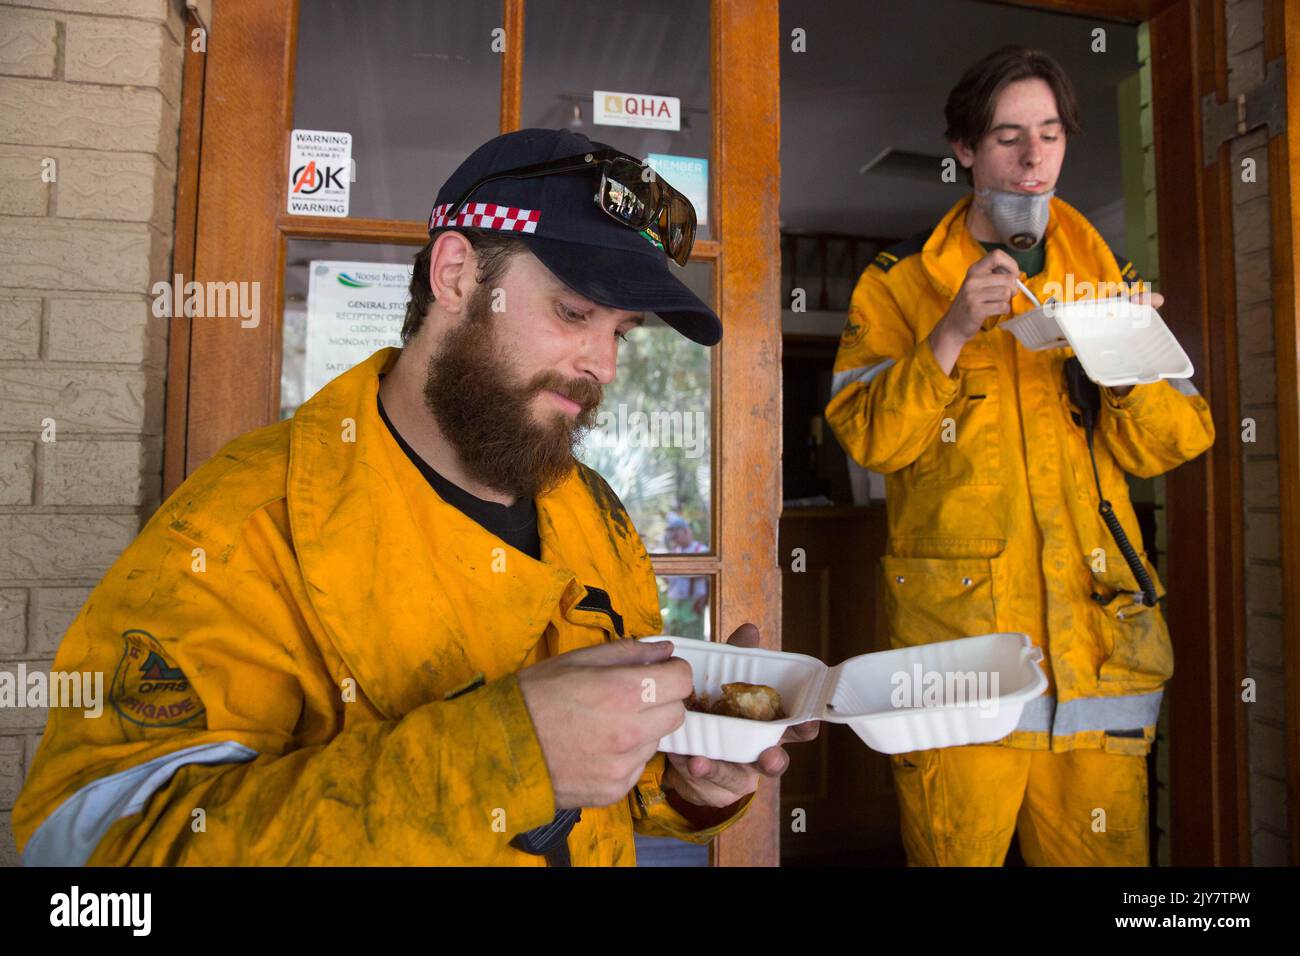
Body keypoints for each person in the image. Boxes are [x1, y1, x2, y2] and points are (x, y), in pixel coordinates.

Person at [14, 128, 815, 866]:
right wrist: (500, 759)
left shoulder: (590, 510)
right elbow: (92, 868)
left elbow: (605, 784)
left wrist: (686, 779)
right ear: (457, 275)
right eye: (574, 312)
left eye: (620, 331)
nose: (602, 365)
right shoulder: (243, 527)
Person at [825, 46, 1215, 866]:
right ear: (964, 150)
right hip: (958, 664)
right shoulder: (896, 287)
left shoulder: (1108, 273)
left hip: (1099, 657)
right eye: (1008, 137)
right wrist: (951, 333)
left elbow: (1173, 444)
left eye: (1050, 133)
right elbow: (869, 438)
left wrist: (1127, 354)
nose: (1034, 158)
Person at [662, 513, 709, 639]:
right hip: (674, 605)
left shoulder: (701, 550)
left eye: (676, 536)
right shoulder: (675, 551)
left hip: (692, 606)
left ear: (686, 532)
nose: (674, 540)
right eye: (672, 538)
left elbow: (702, 574)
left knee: (692, 639)